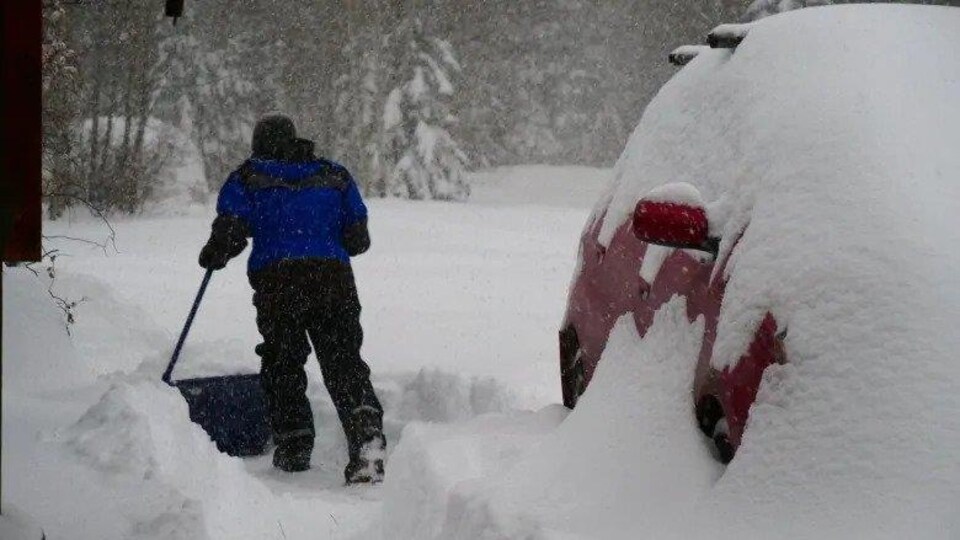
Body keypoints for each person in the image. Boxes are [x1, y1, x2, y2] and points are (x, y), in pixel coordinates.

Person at [198, 115, 386, 483]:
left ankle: (294, 445)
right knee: (344, 361)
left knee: (283, 361)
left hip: (278, 281)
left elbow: (230, 232)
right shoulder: (335, 175)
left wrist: (215, 253)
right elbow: (358, 240)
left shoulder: (248, 177)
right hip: (332, 280)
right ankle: (367, 443)